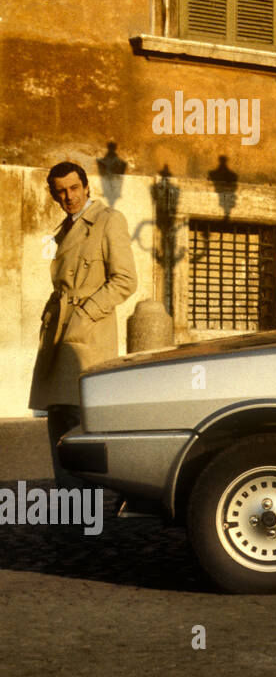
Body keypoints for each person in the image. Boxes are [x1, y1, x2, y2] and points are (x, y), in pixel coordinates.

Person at [29, 162, 137, 483]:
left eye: (75, 188)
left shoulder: (108, 221)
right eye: (61, 191)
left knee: (79, 420)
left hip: (86, 336)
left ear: (87, 187)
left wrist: (84, 315)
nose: (69, 196)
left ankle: (82, 507)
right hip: (57, 334)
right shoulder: (59, 232)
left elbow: (125, 280)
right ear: (53, 195)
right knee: (57, 417)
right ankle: (68, 506)